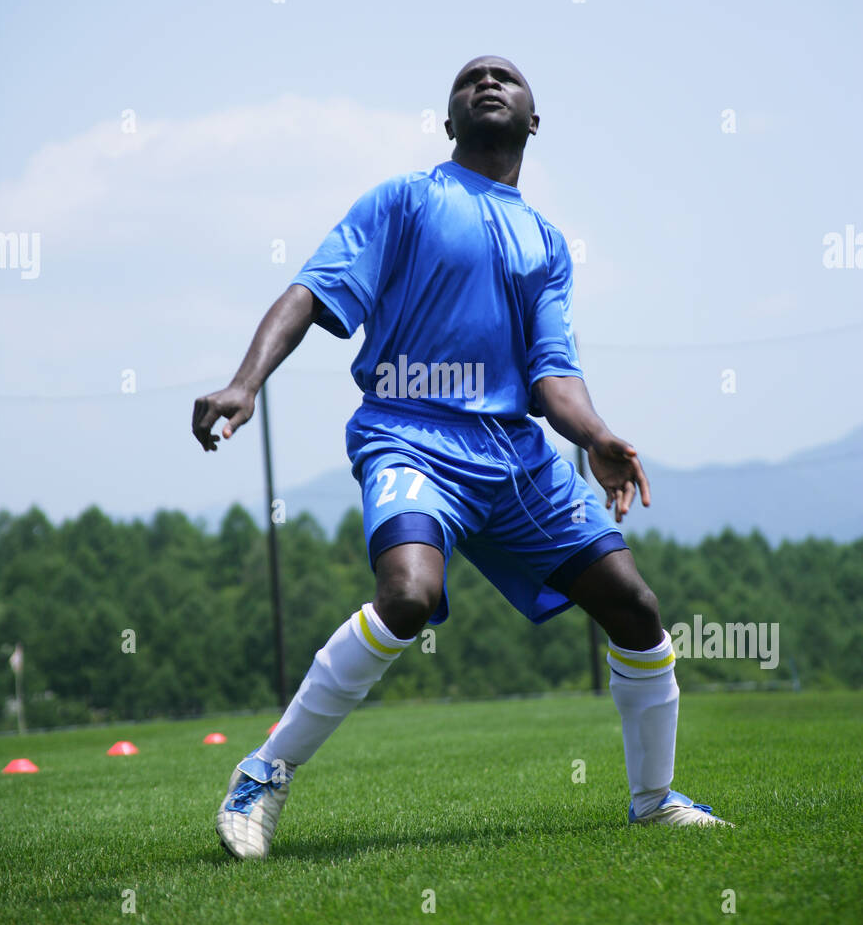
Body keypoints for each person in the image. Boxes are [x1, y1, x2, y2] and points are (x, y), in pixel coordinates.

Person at [192, 55, 731, 859]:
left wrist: (596, 438)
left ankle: (652, 801)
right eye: (469, 79)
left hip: (516, 456)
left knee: (638, 611)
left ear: (533, 119)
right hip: (408, 434)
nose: (487, 82)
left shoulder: (547, 243)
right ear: (448, 120)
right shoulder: (405, 200)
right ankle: (262, 775)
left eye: (505, 78)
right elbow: (309, 290)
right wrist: (245, 383)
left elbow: (553, 375)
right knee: (408, 597)